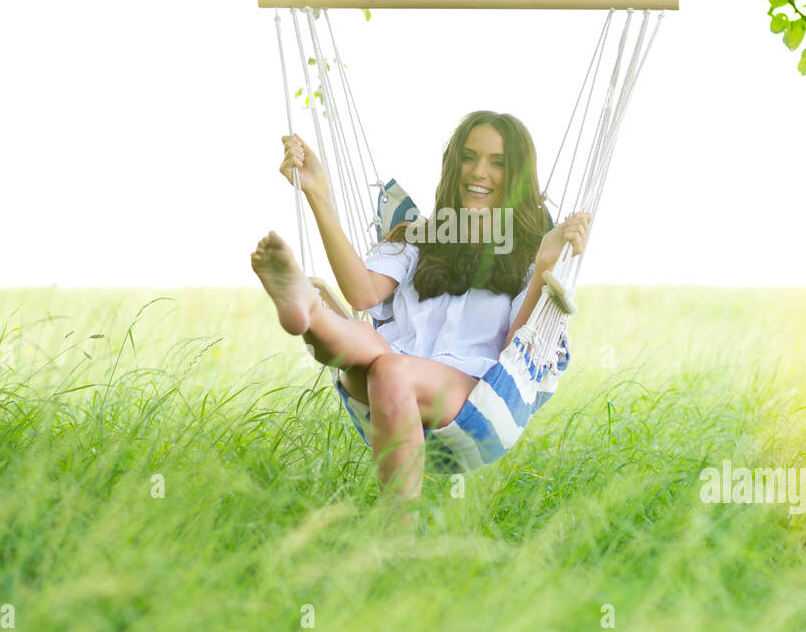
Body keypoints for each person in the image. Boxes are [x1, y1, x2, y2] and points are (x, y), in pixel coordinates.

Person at [251, 110, 590, 528]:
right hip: (381, 381)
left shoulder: (531, 258)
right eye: (469, 157)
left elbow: (519, 355)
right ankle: (306, 311)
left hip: (470, 400)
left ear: (517, 174)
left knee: (386, 364)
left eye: (497, 162)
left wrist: (543, 268)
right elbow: (360, 293)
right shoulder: (416, 237)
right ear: (454, 166)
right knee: (376, 356)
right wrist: (317, 195)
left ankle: (314, 316)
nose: (479, 172)